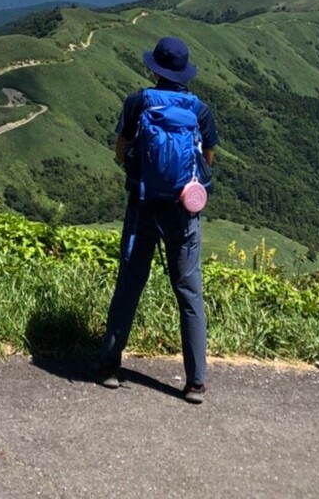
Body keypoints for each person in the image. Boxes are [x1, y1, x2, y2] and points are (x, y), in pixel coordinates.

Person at [95, 35, 218, 403]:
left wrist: (140, 171)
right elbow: (208, 159)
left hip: (143, 206)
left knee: (129, 285)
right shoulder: (200, 110)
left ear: (154, 69)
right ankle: (195, 382)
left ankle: (108, 367)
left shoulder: (138, 102)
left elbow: (120, 150)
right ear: (184, 72)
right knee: (189, 293)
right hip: (183, 212)